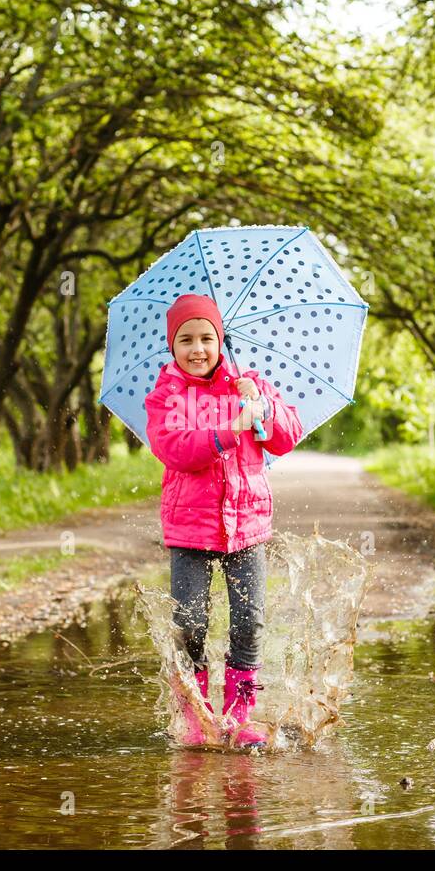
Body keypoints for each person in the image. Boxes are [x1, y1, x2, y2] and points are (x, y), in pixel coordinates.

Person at [144, 292, 304, 747]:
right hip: (190, 528)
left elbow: (287, 438)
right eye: (186, 340)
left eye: (207, 338)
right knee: (190, 622)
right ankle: (197, 715)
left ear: (221, 340)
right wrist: (228, 431)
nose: (197, 349)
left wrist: (264, 411)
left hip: (247, 526)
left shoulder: (248, 386)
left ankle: (239, 715)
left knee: (249, 621)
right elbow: (174, 450)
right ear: (172, 347)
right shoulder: (166, 397)